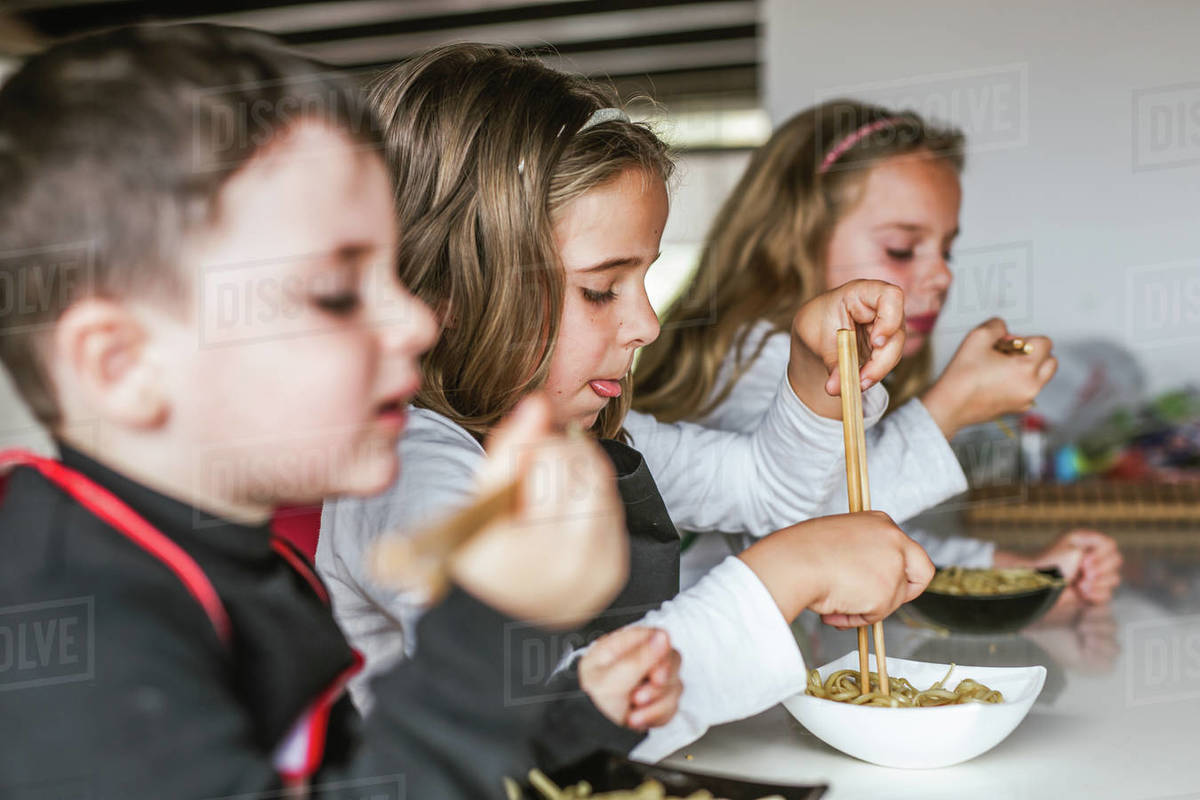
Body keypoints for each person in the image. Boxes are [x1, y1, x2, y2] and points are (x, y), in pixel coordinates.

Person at [0, 24, 636, 798]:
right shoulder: (74, 635)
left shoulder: (240, 562)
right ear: (122, 365)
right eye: (336, 291)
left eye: (391, 273)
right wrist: (492, 619)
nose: (417, 323)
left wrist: (577, 708)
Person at [318, 44, 934, 764]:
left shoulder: (583, 439)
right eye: (600, 289)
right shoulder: (411, 473)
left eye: (644, 278)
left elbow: (768, 492)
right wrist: (788, 574)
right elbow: (540, 723)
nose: (647, 324)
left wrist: (812, 373)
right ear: (446, 293)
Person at [634, 99, 1122, 603]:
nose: (942, 276)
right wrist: (948, 409)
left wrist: (1025, 574)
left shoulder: (836, 362)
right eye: (902, 249)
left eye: (947, 249)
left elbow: (876, 533)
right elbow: (811, 534)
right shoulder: (755, 358)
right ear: (796, 238)